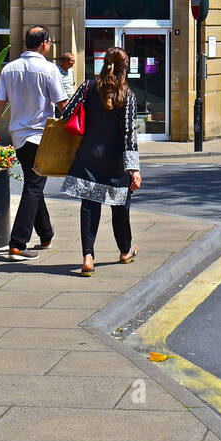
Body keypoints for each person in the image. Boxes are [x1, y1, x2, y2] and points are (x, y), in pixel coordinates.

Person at [0, 25, 68, 260]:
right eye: (50, 42)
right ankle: (17, 243)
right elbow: (62, 104)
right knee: (34, 186)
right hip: (42, 137)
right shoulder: (49, 70)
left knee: (35, 184)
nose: (50, 46)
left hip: (19, 138)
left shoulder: (9, 69)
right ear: (43, 44)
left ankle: (46, 234)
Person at [60, 47, 141, 277]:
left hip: (89, 156)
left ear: (103, 64)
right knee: (120, 208)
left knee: (89, 206)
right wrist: (134, 169)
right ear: (125, 70)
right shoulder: (128, 96)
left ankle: (87, 258)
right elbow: (129, 135)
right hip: (116, 162)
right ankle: (125, 251)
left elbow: (67, 114)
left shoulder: (87, 87)